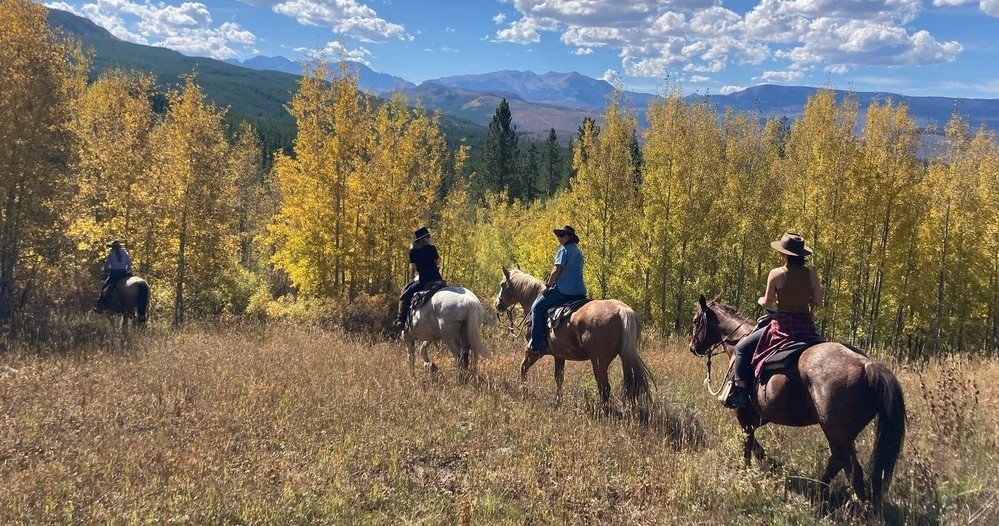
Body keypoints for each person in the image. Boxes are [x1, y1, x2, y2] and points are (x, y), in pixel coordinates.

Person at [725, 232, 823, 409]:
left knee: (741, 348)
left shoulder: (777, 274)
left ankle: (740, 392)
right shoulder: (811, 275)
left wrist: (762, 300)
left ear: (785, 254)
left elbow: (768, 302)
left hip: (783, 326)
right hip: (806, 328)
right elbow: (817, 302)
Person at [528, 225, 587, 354]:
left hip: (563, 290)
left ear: (570, 237)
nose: (559, 238)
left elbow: (556, 270)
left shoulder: (563, 250)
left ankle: (536, 345)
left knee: (536, 308)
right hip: (580, 292)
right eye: (558, 235)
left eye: (562, 235)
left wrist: (548, 285)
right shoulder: (578, 252)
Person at [394, 226, 443, 329]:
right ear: (425, 238)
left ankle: (401, 319)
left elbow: (415, 268)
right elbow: (438, 262)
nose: (430, 238)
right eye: (428, 236)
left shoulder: (413, 252)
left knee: (406, 292)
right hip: (437, 279)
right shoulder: (432, 248)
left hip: (424, 281)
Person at [96, 239, 132, 311]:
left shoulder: (111, 254)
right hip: (124, 274)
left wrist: (106, 270)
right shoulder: (125, 253)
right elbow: (129, 265)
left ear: (113, 247)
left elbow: (106, 266)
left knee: (104, 288)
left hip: (114, 274)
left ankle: (100, 306)